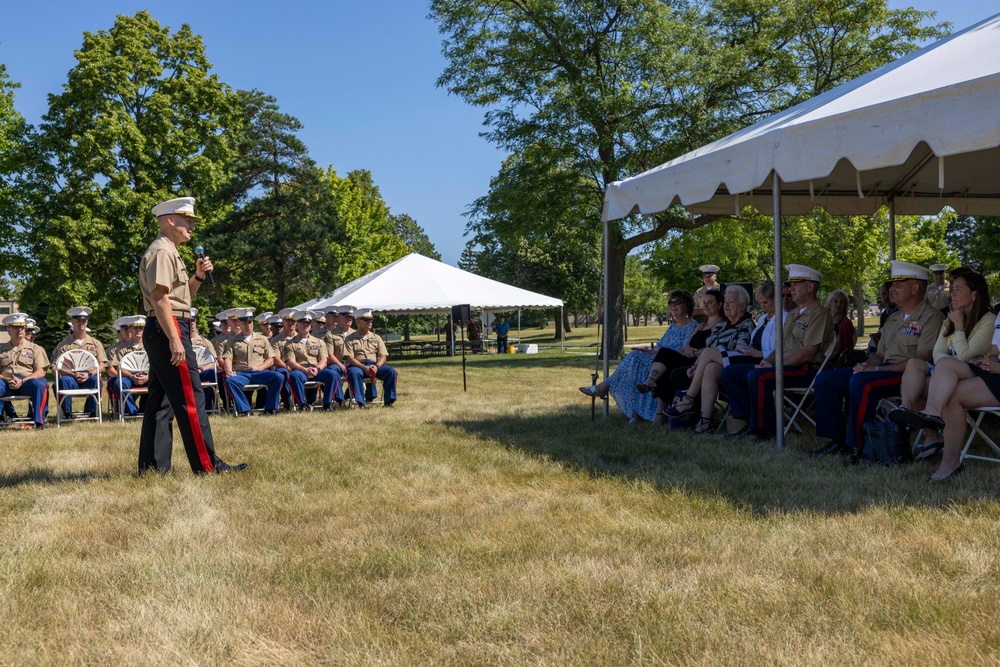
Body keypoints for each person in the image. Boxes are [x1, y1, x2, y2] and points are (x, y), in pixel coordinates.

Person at [138, 196, 246, 474]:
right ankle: (208, 466)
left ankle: (153, 468)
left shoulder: (168, 251)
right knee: (190, 397)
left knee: (160, 401)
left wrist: (197, 277)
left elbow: (179, 298)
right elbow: (160, 297)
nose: (192, 227)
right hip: (169, 327)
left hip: (164, 326)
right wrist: (175, 338)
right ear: (170, 220)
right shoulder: (163, 252)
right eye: (188, 220)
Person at [811, 260, 945, 459]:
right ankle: (837, 441)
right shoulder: (893, 318)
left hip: (908, 376)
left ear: (915, 287)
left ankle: (856, 446)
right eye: (892, 284)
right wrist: (866, 365)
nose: (892, 289)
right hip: (882, 370)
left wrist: (874, 371)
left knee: (861, 383)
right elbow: (879, 355)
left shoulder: (932, 317)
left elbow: (922, 359)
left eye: (898, 284)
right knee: (825, 379)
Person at [890, 268, 994, 461]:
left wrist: (959, 328)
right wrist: (947, 363)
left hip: (975, 375)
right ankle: (905, 409)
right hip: (947, 373)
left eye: (958, 290)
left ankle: (932, 417)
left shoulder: (987, 320)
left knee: (936, 374)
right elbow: (937, 353)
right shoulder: (950, 318)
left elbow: (965, 356)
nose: (951, 294)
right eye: (951, 289)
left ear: (974, 294)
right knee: (915, 363)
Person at [723, 265, 835, 441]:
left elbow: (808, 352)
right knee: (730, 372)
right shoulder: (793, 313)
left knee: (758, 377)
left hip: (804, 368)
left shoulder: (819, 314)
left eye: (796, 284)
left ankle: (764, 430)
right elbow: (780, 346)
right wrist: (767, 361)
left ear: (810, 286)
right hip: (784, 365)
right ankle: (748, 421)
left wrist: (775, 365)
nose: (790, 289)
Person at [888, 332, 1000, 481]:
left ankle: (949, 463)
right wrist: (989, 361)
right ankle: (932, 413)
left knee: (950, 392)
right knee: (945, 364)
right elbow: (995, 351)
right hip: (993, 373)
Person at [668, 282, 777, 433]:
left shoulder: (747, 324)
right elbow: (708, 349)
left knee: (710, 354)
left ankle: (688, 399)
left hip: (743, 360)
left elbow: (740, 348)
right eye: (725, 302)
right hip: (721, 362)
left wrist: (713, 354)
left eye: (731, 302)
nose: (726, 305)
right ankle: (705, 422)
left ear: (742, 305)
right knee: (710, 368)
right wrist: (696, 366)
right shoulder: (722, 325)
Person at [579, 289, 699, 422]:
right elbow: (660, 347)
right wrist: (649, 351)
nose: (673, 305)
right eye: (670, 302)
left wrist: (656, 353)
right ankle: (637, 411)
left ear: (687, 305)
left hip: (676, 362)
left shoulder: (693, 327)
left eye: (678, 302)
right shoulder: (672, 327)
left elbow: (681, 352)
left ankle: (605, 388)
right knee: (636, 357)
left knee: (636, 361)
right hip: (660, 359)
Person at [636, 288, 725, 401]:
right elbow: (688, 344)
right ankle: (651, 383)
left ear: (720, 304)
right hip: (687, 357)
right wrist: (687, 348)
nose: (706, 305)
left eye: (710, 302)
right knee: (664, 353)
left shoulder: (721, 325)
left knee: (670, 368)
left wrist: (695, 352)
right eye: (704, 303)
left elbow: (715, 347)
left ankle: (661, 409)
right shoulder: (701, 325)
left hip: (699, 361)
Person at [219, 307, 284, 417]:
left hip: (259, 372)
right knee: (230, 382)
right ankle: (245, 410)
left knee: (278, 377)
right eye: (245, 322)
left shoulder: (262, 339)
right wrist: (229, 371)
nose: (248, 324)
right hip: (242, 373)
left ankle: (270, 408)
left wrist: (259, 368)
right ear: (238, 323)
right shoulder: (232, 341)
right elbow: (227, 358)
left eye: (250, 322)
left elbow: (271, 359)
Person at [51, 306, 107, 418]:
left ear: (87, 322)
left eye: (83, 320)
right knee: (63, 381)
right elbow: (54, 368)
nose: (80, 323)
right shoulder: (63, 345)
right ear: (72, 322)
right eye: (77, 320)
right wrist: (71, 374)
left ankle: (93, 412)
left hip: (89, 376)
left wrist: (89, 374)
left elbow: (102, 365)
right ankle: (67, 414)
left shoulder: (96, 344)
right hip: (70, 378)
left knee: (96, 380)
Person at [0, 313, 50, 428]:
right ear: (8, 330)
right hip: (6, 382)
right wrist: (6, 379)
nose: (20, 330)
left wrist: (22, 381)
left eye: (22, 327)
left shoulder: (35, 348)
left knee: (39, 385)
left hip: (27, 381)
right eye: (16, 327)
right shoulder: (1, 350)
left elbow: (41, 372)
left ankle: (39, 422)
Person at [284, 310, 341, 410]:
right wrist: (304, 370)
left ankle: (327, 404)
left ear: (310, 325)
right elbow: (291, 362)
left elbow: (324, 359)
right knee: (294, 376)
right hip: (301, 371)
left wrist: (317, 369)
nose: (305, 325)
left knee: (333, 374)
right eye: (302, 322)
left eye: (308, 323)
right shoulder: (290, 343)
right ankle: (302, 405)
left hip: (316, 370)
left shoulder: (319, 342)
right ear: (297, 324)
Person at [343, 308, 397, 407]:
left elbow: (383, 355)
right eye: (366, 319)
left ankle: (388, 402)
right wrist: (363, 367)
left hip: (374, 365)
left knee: (391, 372)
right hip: (358, 366)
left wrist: (377, 366)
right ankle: (360, 402)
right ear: (358, 321)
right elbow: (349, 358)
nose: (369, 322)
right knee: (354, 373)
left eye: (371, 319)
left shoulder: (376, 337)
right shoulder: (349, 338)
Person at [108, 316, 148, 416]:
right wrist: (131, 376)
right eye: (135, 328)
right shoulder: (121, 348)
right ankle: (132, 411)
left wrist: (148, 376)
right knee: (119, 383)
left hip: (147, 376)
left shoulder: (151, 346)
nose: (138, 330)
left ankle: (146, 408)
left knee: (158, 381)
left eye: (141, 328)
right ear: (129, 329)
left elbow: (157, 365)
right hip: (129, 377)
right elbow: (118, 368)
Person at [189, 308, 218, 412]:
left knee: (211, 373)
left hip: (201, 372)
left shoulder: (205, 342)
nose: (191, 323)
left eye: (193, 320)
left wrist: (201, 369)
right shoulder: (177, 342)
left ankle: (206, 407)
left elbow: (214, 362)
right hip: (184, 372)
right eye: (188, 320)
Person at [825, 289, 857, 362]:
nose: (838, 304)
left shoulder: (846, 323)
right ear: (829, 303)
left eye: (842, 302)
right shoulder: (823, 321)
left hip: (832, 360)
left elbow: (842, 349)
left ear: (845, 305)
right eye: (836, 301)